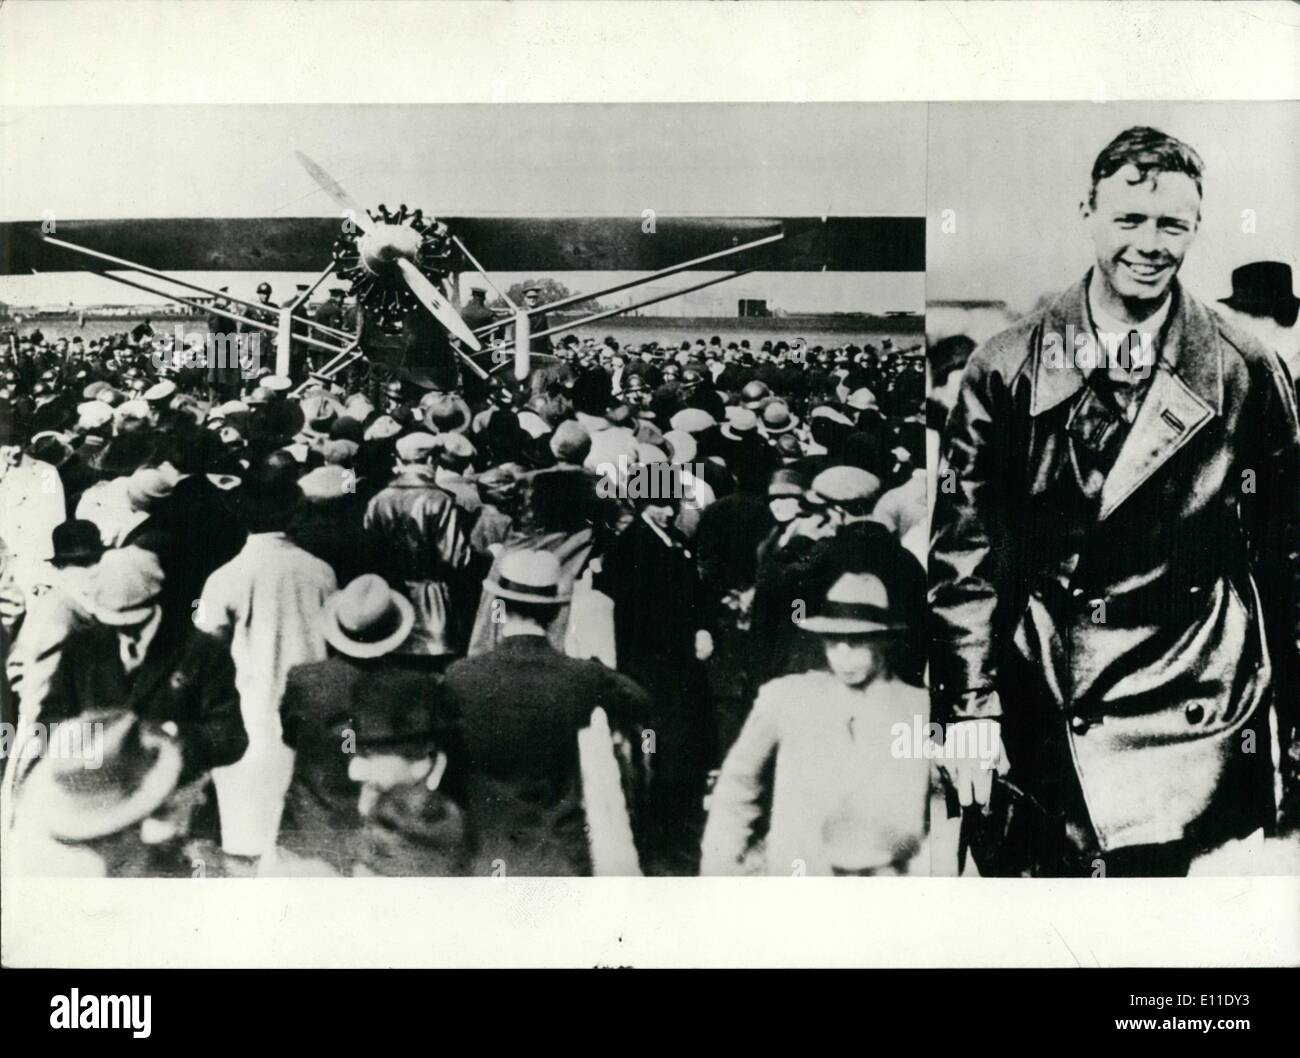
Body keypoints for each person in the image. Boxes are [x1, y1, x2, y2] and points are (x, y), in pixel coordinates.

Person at [929, 126, 1300, 876]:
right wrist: (972, 711)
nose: (1149, 244)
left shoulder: (1245, 369)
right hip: (1040, 697)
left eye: (1172, 224)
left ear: (1197, 227)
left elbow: (1288, 552)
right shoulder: (1004, 367)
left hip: (1192, 708)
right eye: (1129, 220)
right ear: (1088, 212)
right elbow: (964, 556)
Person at [701, 549, 931, 876]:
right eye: (832, 641)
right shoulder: (787, 699)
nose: (843, 654)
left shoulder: (917, 709)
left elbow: (938, 816)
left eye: (857, 641)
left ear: (885, 641)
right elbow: (737, 785)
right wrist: (718, 872)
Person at [442, 550, 649, 875]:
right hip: (560, 853)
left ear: (500, 606)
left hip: (484, 852)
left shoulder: (461, 677)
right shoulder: (581, 677)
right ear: (554, 612)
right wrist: (596, 668)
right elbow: (640, 701)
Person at [195, 453, 337, 864]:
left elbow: (208, 649)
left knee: (245, 843)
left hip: (247, 718)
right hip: (310, 719)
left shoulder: (224, 579)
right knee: (303, 850)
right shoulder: (321, 572)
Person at [276, 574, 465, 876]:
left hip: (309, 834)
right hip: (384, 844)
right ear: (395, 631)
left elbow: (290, 736)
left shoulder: (304, 680)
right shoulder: (420, 687)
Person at [364, 431, 478, 663]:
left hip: (389, 603)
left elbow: (367, 552)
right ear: (431, 461)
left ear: (399, 461)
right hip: (433, 603)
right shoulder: (441, 500)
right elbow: (457, 557)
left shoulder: (379, 500)